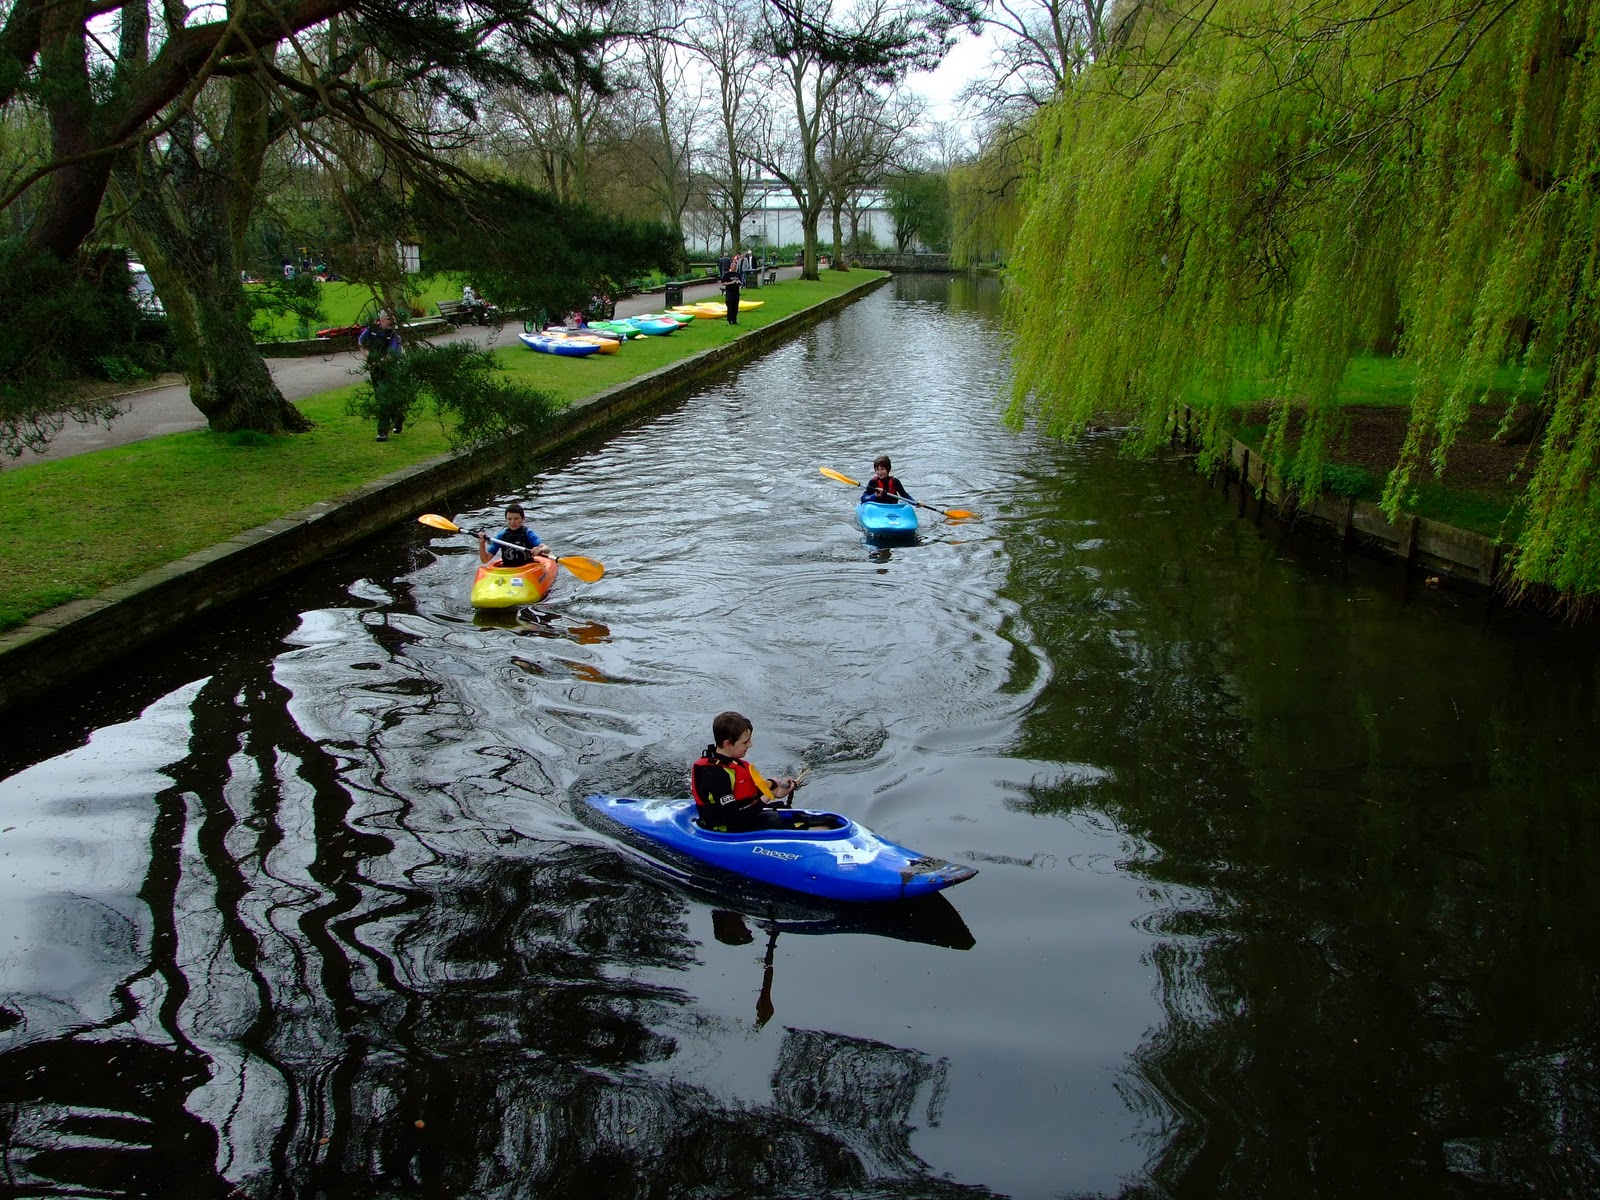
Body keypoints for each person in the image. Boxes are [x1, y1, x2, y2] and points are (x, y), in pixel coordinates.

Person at [690, 711, 807, 832]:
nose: (750, 745)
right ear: (727, 744)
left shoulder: (734, 764)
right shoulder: (716, 775)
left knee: (804, 819)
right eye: (745, 742)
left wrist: (777, 792)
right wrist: (766, 797)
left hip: (744, 819)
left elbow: (745, 795)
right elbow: (734, 821)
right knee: (790, 825)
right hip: (725, 831)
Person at [357, 311, 408, 441]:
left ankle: (382, 432)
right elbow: (361, 342)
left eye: (393, 319)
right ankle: (398, 417)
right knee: (381, 396)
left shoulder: (395, 336)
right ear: (381, 319)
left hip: (389, 370)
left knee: (384, 399)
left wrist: (377, 362)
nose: (391, 322)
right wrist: (368, 356)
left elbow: (392, 355)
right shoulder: (371, 330)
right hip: (375, 370)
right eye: (388, 319)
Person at [478, 503, 552, 568]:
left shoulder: (528, 533)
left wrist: (540, 549)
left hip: (528, 569)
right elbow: (485, 559)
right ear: (506, 519)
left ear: (523, 519)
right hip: (508, 571)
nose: (512, 522)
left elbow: (547, 549)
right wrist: (481, 543)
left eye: (516, 518)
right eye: (509, 519)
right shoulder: (501, 536)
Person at [720, 261, 742, 326]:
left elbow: (741, 282)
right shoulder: (727, 274)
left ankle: (734, 320)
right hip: (730, 293)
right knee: (730, 307)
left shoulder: (738, 274)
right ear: (731, 267)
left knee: (736, 307)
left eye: (736, 267)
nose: (735, 268)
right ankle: (729, 320)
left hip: (736, 293)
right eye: (734, 267)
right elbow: (723, 283)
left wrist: (739, 282)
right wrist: (731, 283)